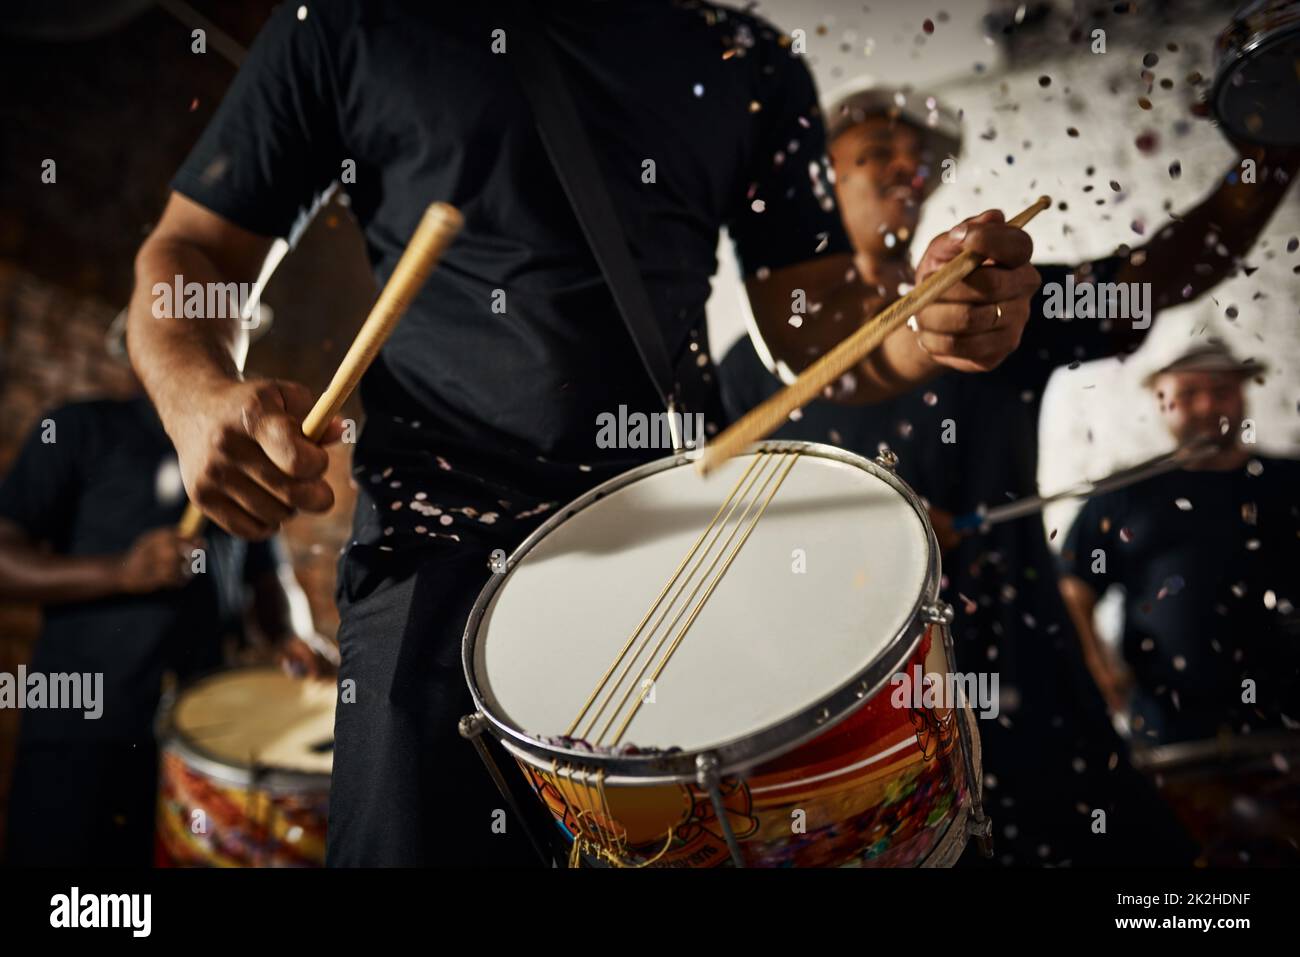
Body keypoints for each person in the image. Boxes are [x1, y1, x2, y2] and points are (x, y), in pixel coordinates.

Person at [123, 2, 1046, 867]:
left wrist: (925, 326)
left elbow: (811, 320)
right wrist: (196, 394)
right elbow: (192, 251)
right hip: (437, 550)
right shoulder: (352, 19)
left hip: (682, 552)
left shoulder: (751, 61)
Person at [717, 80, 1297, 865]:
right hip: (860, 731)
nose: (906, 169)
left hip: (1037, 699)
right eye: (876, 153)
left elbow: (1162, 273)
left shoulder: (987, 295)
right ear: (818, 180)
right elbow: (727, 556)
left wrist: (1275, 146)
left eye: (918, 158)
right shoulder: (752, 367)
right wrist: (871, 542)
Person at [0, 383, 334, 867]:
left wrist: (292, 633)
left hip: (201, 745)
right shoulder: (79, 427)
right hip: (80, 727)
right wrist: (120, 572)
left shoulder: (235, 457)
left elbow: (270, 576)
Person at [1059, 343, 1300, 747]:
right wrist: (1095, 667)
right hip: (1167, 726)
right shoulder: (1124, 494)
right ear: (1162, 400)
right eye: (1188, 393)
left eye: (1221, 391)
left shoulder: (1288, 483)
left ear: (1242, 394)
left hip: (1286, 722)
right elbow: (1073, 588)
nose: (1206, 406)